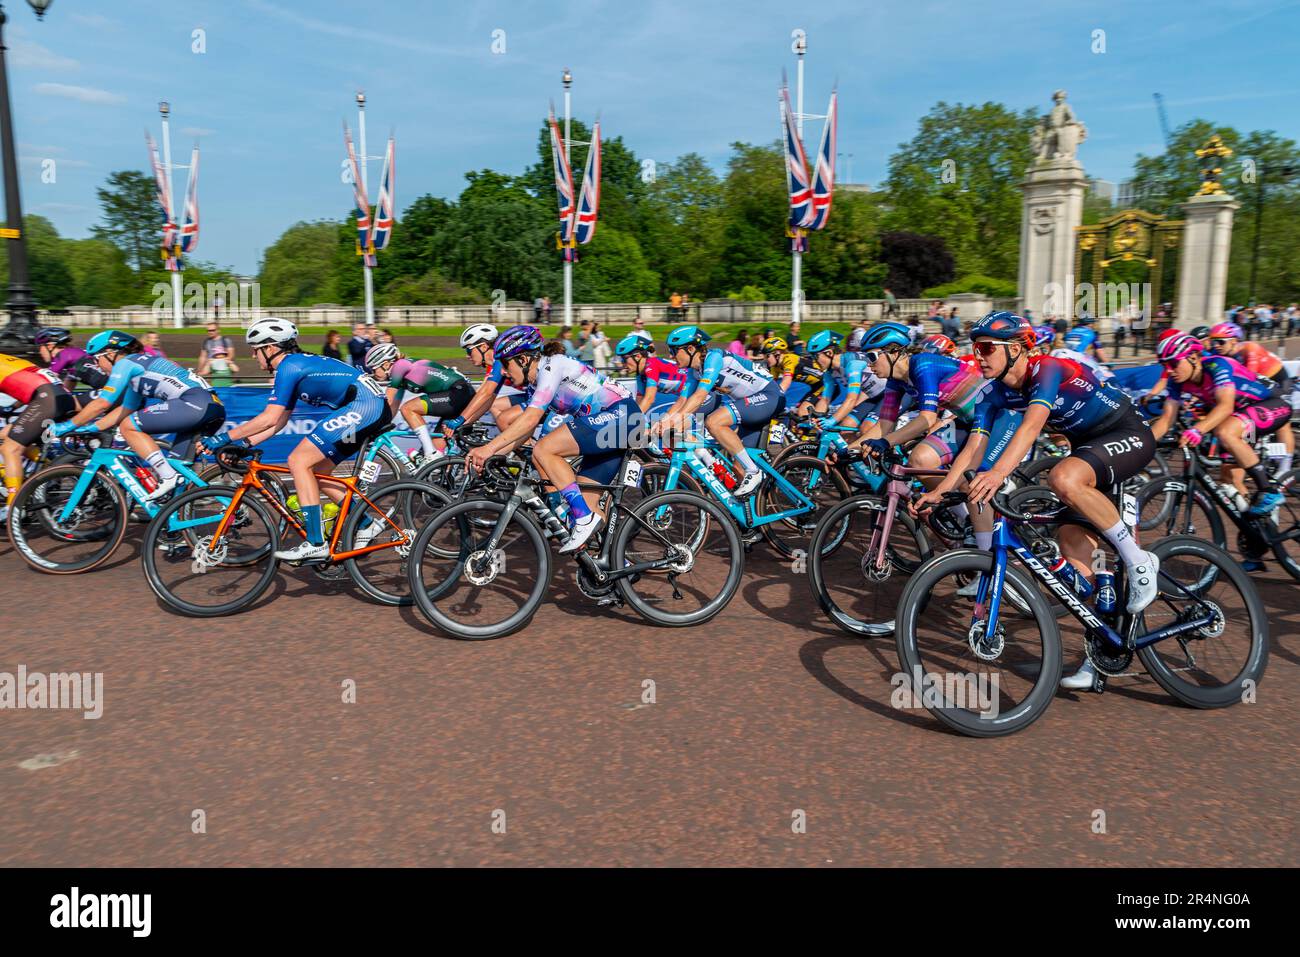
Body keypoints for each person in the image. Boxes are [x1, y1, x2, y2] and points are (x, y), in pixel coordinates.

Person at [914, 311, 1160, 691]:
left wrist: (997, 475)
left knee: (1062, 477)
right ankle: (1102, 653)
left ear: (1015, 349)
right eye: (973, 348)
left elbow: (1030, 428)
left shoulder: (1046, 369)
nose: (976, 357)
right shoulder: (992, 392)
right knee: (1077, 558)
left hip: (1127, 432)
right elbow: (973, 449)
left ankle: (1140, 562)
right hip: (1087, 447)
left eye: (984, 349)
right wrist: (941, 490)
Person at [199, 318, 388, 562]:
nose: (253, 355)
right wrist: (244, 444)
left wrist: (223, 438)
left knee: (298, 461)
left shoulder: (289, 367)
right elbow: (280, 422)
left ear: (270, 348)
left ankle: (315, 542)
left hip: (364, 407)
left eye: (255, 350)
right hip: (370, 406)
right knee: (319, 472)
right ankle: (365, 523)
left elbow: (269, 417)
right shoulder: (294, 365)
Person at [467, 326, 642, 553]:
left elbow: (530, 419)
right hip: (610, 424)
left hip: (622, 417)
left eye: (506, 364)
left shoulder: (551, 365)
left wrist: (489, 448)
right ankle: (613, 567)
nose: (504, 372)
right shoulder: (535, 383)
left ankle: (583, 519)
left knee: (544, 449)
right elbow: (521, 433)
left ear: (522, 359)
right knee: (586, 507)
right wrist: (493, 455)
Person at [51, 330, 225, 501]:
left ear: (110, 353)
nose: (97, 366)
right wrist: (90, 428)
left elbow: (103, 403)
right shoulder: (139, 368)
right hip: (212, 406)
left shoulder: (125, 364)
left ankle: (168, 477)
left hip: (194, 404)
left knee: (128, 426)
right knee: (177, 468)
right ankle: (184, 516)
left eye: (97, 359)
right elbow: (126, 408)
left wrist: (65, 426)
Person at [1150, 333, 1291, 519]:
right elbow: (1166, 419)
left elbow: (1225, 406)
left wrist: (1197, 429)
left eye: (1174, 363)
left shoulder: (1216, 365)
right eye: (1164, 365)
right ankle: (1261, 527)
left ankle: (1269, 490)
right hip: (1243, 417)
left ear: (1193, 357)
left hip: (1271, 403)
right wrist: (1140, 445)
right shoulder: (1177, 382)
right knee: (1229, 479)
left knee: (1225, 432)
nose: (1169, 370)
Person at [655, 325, 784, 497]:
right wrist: (661, 422)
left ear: (691, 348)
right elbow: (682, 401)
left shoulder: (713, 358)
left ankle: (754, 471)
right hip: (752, 404)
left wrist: (675, 421)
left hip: (769, 395)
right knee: (739, 465)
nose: (671, 356)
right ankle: (753, 517)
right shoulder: (695, 371)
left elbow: (699, 396)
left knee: (714, 422)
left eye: (674, 351)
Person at [364, 343, 472, 463]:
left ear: (385, 364)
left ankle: (430, 453)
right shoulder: (400, 376)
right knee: (436, 457)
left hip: (458, 392)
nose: (373, 373)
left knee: (408, 408)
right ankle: (438, 463)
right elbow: (392, 407)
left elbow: (387, 400)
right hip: (454, 395)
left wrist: (368, 422)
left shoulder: (399, 366)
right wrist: (381, 426)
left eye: (374, 369)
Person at [0, 352, 78, 514]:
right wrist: (12, 407)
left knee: (10, 448)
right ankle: (52, 469)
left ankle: (13, 506)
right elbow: (28, 382)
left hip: (46, 398)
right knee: (7, 434)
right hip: (57, 396)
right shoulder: (7, 359)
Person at [442, 323, 529, 436]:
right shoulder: (495, 364)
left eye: (469, 350)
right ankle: (526, 446)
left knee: (503, 420)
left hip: (546, 397)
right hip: (533, 395)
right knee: (495, 406)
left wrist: (459, 420)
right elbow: (488, 402)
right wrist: (463, 424)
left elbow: (485, 392)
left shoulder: (500, 359)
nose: (467, 356)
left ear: (483, 347)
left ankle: (528, 448)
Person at [616, 334, 688, 413]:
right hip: (683, 396)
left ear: (638, 356)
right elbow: (639, 401)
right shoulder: (640, 375)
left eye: (624, 359)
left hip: (694, 390)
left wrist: (631, 420)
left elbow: (649, 399)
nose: (622, 363)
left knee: (668, 420)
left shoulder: (651, 365)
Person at [762, 334, 824, 417]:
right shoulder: (775, 367)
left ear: (777, 353)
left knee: (803, 411)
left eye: (767, 356)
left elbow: (786, 382)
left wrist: (771, 399)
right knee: (796, 414)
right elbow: (771, 385)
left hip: (826, 384)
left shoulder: (789, 359)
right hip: (816, 387)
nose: (765, 359)